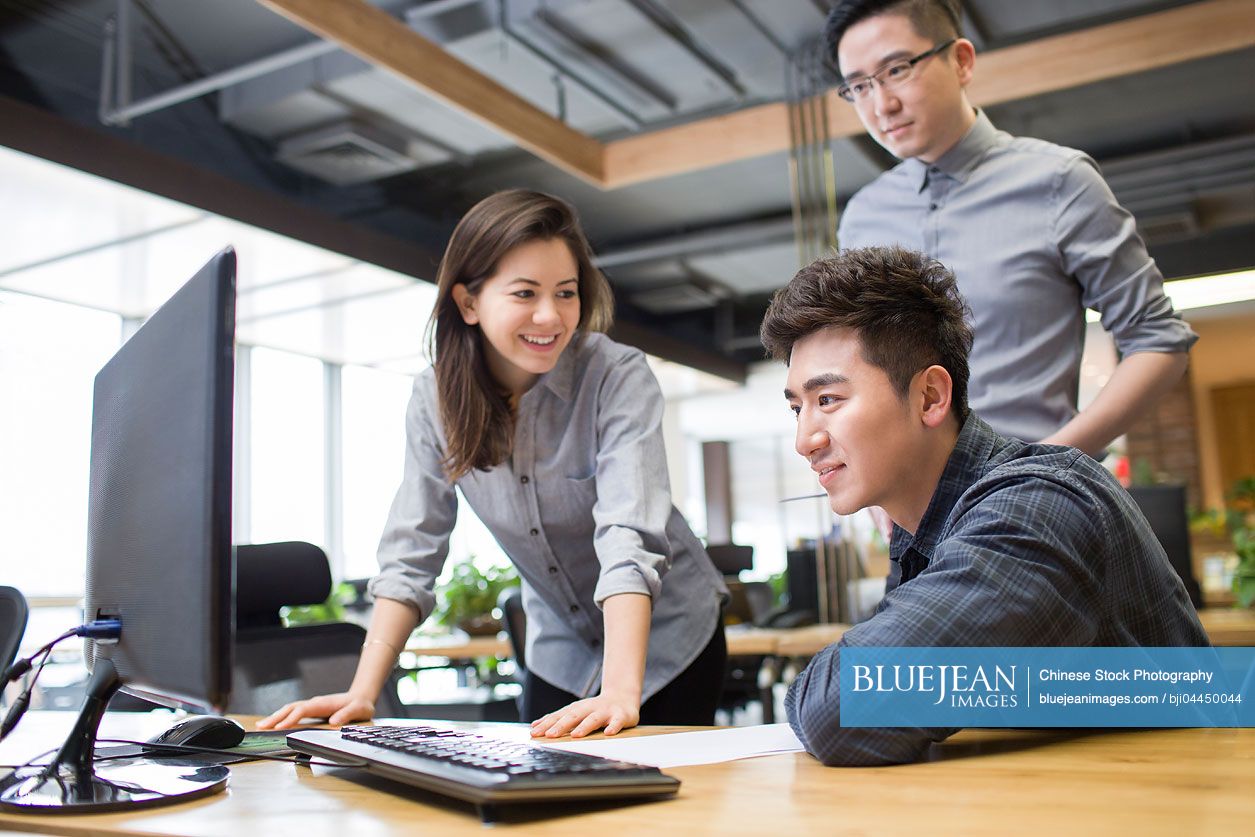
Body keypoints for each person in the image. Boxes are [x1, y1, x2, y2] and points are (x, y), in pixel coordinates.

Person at [258, 190, 728, 738]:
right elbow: (413, 549)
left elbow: (628, 534)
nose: (550, 316)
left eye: (566, 293)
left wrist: (622, 692)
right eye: (525, 293)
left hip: (669, 643)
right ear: (469, 303)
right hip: (561, 653)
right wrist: (363, 692)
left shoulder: (615, 376)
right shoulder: (435, 400)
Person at [759, 245, 1209, 767]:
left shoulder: (1037, 506)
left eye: (828, 400)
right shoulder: (921, 529)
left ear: (930, 396)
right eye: (797, 408)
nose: (804, 439)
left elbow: (842, 709)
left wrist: (819, 682)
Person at [826, 0, 1197, 456]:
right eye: (859, 86)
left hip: (1036, 500)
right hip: (912, 517)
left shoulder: (1059, 181)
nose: (882, 104)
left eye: (898, 69)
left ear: (961, 61)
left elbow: (1158, 337)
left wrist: (1050, 462)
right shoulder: (864, 216)